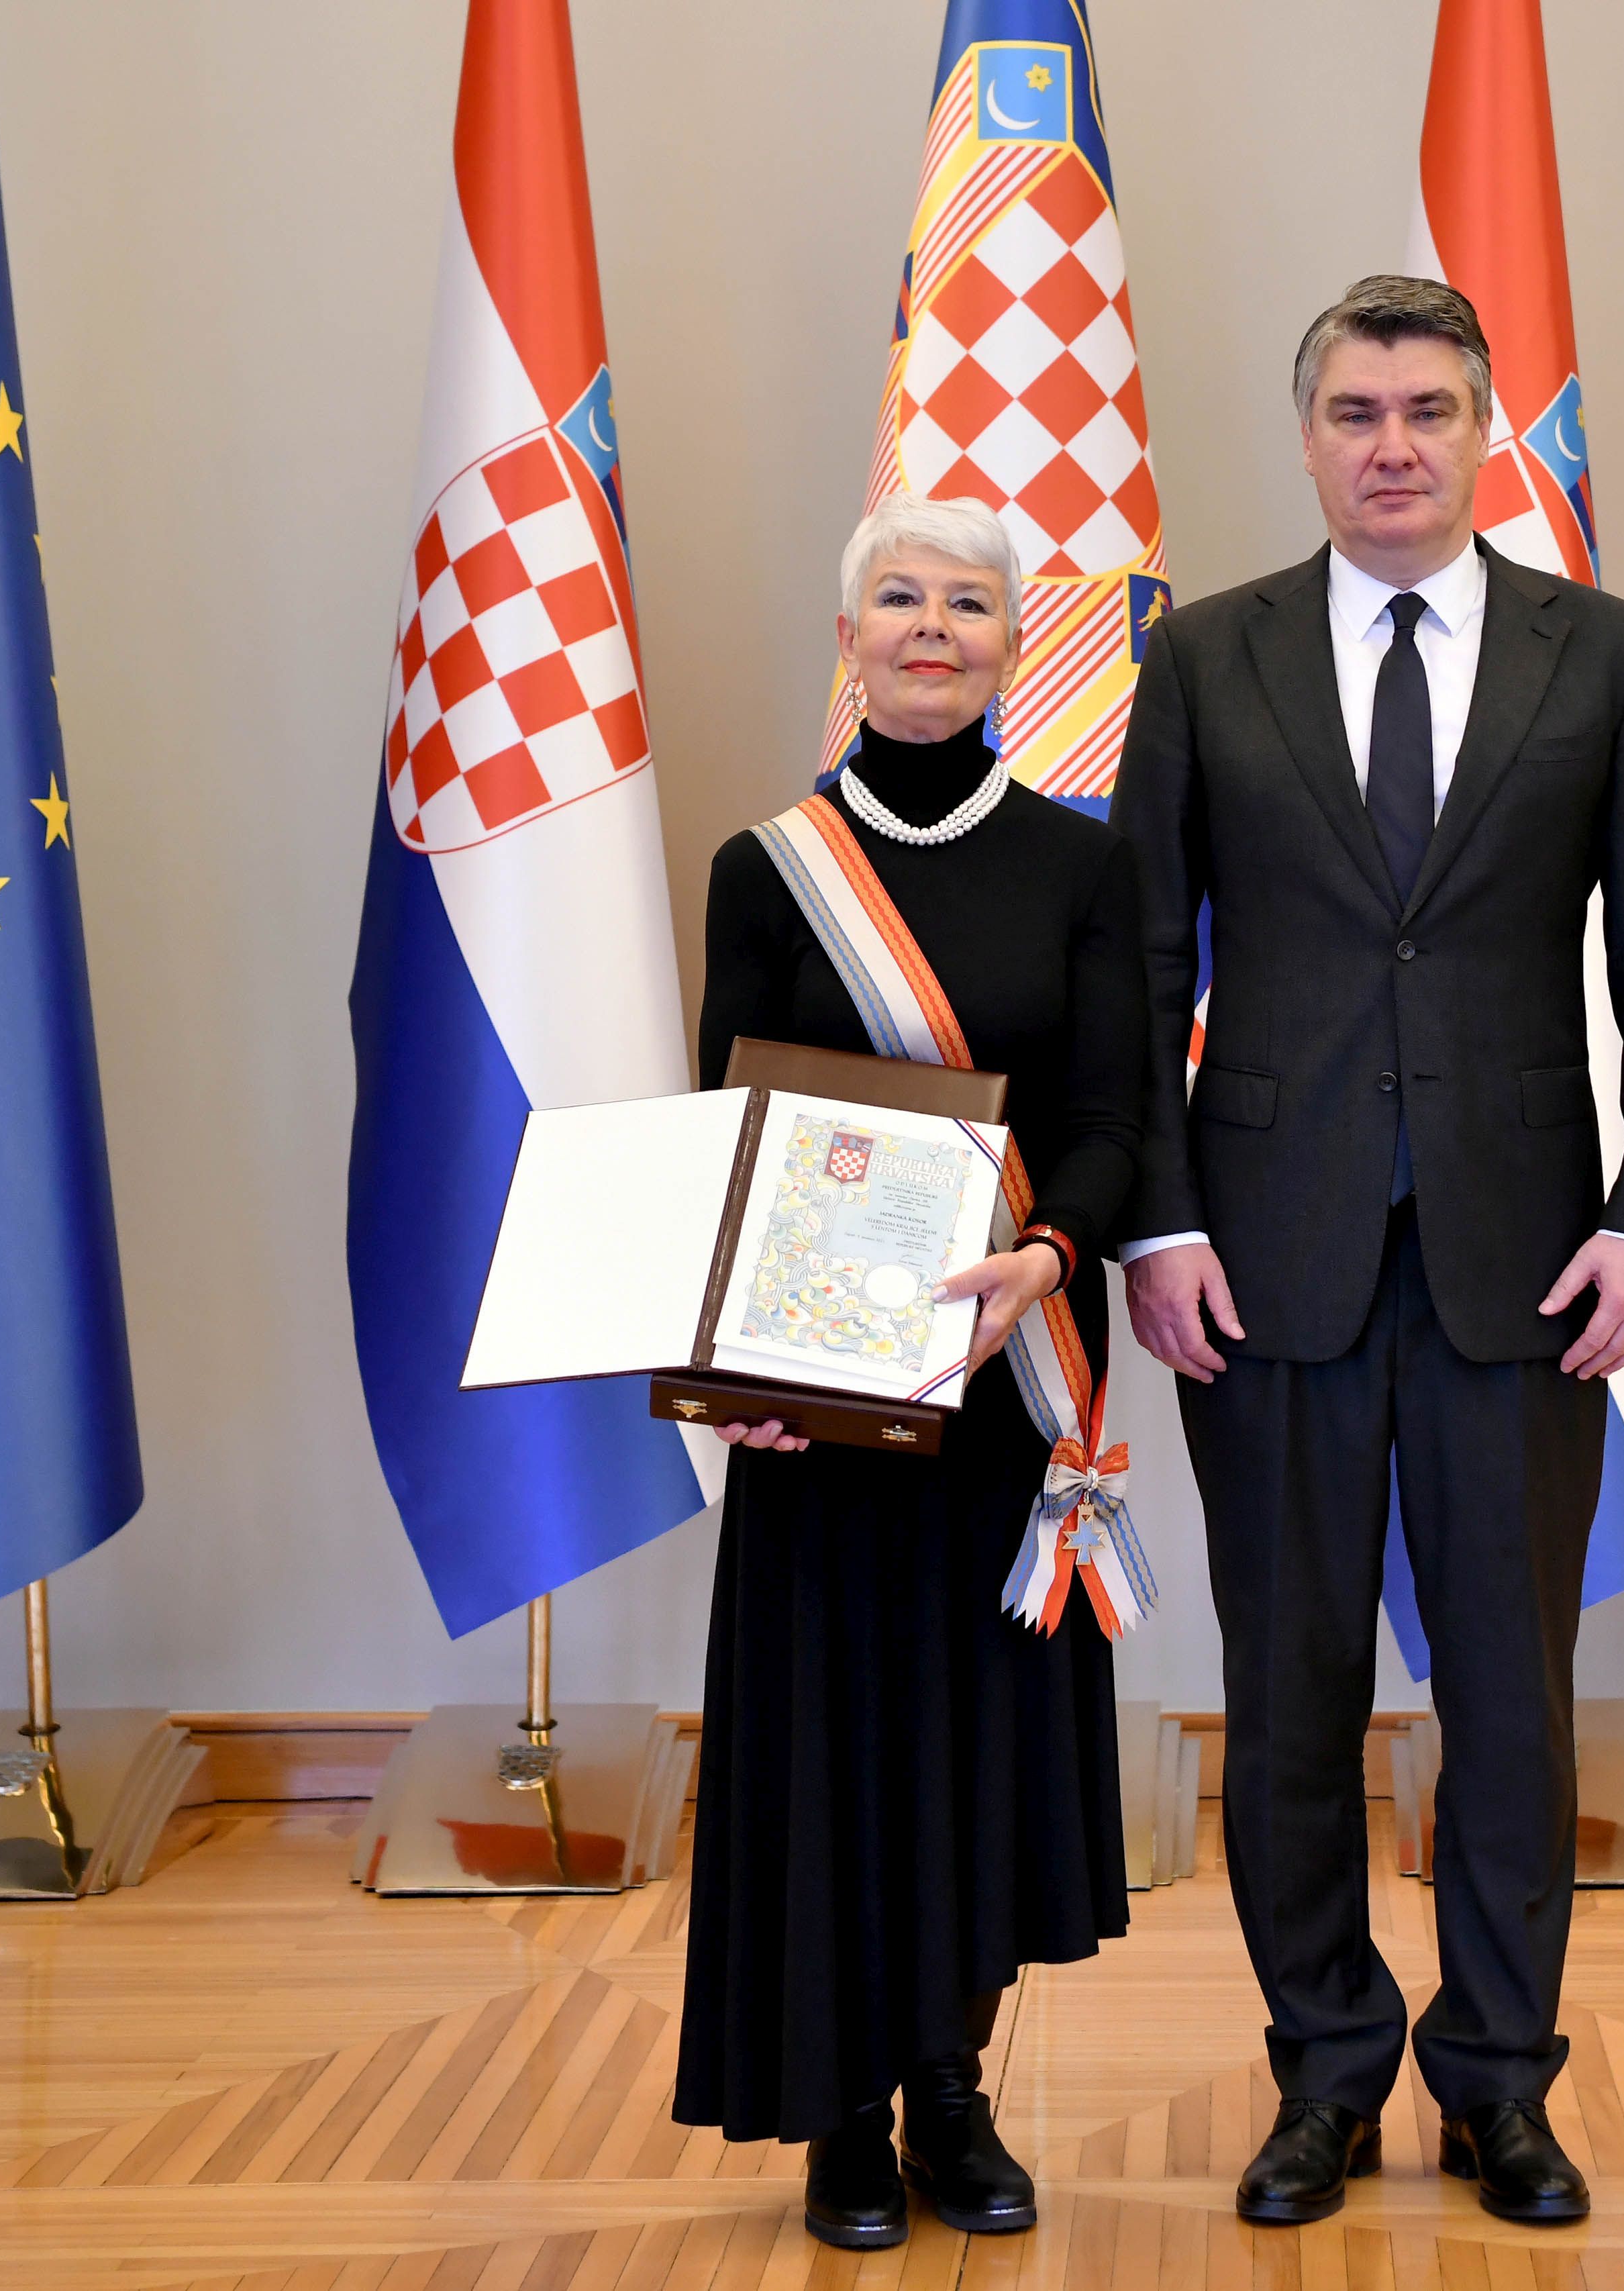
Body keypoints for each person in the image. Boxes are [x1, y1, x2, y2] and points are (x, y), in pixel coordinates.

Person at [1111, 277, 1624, 2227]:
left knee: (1510, 1697)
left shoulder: (1606, 657)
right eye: (1359, 411)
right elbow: (1137, 964)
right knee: (1287, 1695)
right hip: (1260, 1257)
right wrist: (1154, 1215)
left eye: (1430, 411)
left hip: (1523, 1262)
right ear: (1305, 438)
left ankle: (1496, 2083)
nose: (1393, 444)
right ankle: (1321, 2077)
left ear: (1487, 439)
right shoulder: (1207, 658)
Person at [672, 491, 1148, 2251]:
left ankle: (952, 2092)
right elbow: (727, 1122)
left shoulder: (1084, 867)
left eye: (968, 602)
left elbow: (1112, 1119)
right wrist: (748, 1353)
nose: (933, 625)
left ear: (1017, 644)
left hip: (1010, 1380)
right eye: (899, 596)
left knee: (975, 1747)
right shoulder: (764, 867)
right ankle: (842, 2117)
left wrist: (1045, 1257)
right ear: (849, 636)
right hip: (822, 1395)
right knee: (832, 1744)